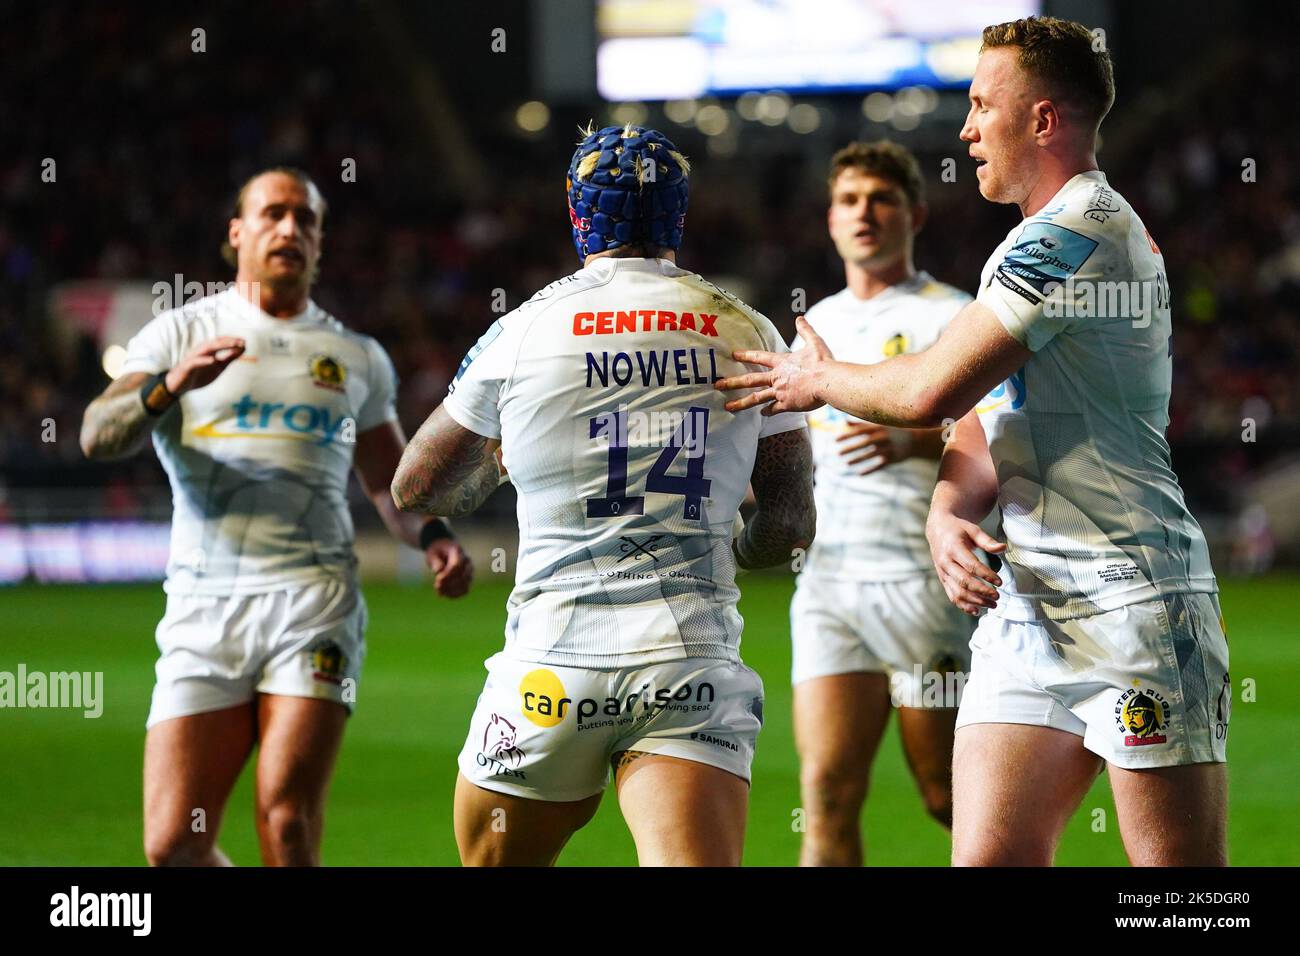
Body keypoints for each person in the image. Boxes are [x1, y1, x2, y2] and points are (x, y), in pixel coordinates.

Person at [717, 16, 1229, 866]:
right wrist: (947, 508)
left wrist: (812, 381)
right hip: (1027, 601)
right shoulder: (1033, 238)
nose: (964, 128)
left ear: (1042, 119)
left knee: (1180, 893)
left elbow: (931, 391)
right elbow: (997, 415)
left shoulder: (1078, 233)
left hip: (1132, 599)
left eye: (981, 105)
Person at [391, 124, 815, 867]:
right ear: (679, 216)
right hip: (688, 668)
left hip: (552, 670)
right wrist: (735, 547)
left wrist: (499, 465)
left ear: (577, 213)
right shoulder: (747, 329)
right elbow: (787, 523)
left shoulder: (521, 330)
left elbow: (417, 487)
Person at [79, 167, 473, 866]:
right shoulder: (178, 334)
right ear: (237, 233)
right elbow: (96, 433)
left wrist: (434, 536)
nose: (289, 228)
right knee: (173, 845)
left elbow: (390, 485)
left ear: (319, 243)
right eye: (273, 214)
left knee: (287, 823)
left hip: (312, 605)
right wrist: (169, 388)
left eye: (306, 219)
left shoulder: (356, 356)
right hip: (203, 610)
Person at [790, 141, 975, 866]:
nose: (864, 212)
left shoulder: (954, 316)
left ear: (916, 214)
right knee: (827, 792)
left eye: (882, 198)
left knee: (948, 796)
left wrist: (916, 441)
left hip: (922, 586)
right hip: (829, 586)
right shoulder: (811, 328)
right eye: (848, 200)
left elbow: (1005, 434)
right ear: (830, 221)